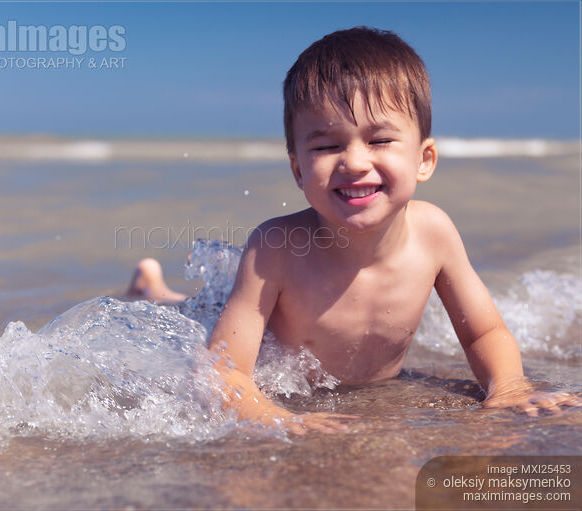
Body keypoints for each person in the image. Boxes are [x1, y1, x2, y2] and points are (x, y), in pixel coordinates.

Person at [127, 27, 580, 434]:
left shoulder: (434, 234)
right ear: (298, 170)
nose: (355, 162)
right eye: (326, 146)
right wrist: (276, 417)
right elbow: (223, 370)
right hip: (263, 335)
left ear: (424, 159)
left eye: (380, 140)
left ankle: (155, 285)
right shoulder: (275, 249)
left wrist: (509, 387)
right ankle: (153, 287)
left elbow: (483, 333)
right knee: (195, 315)